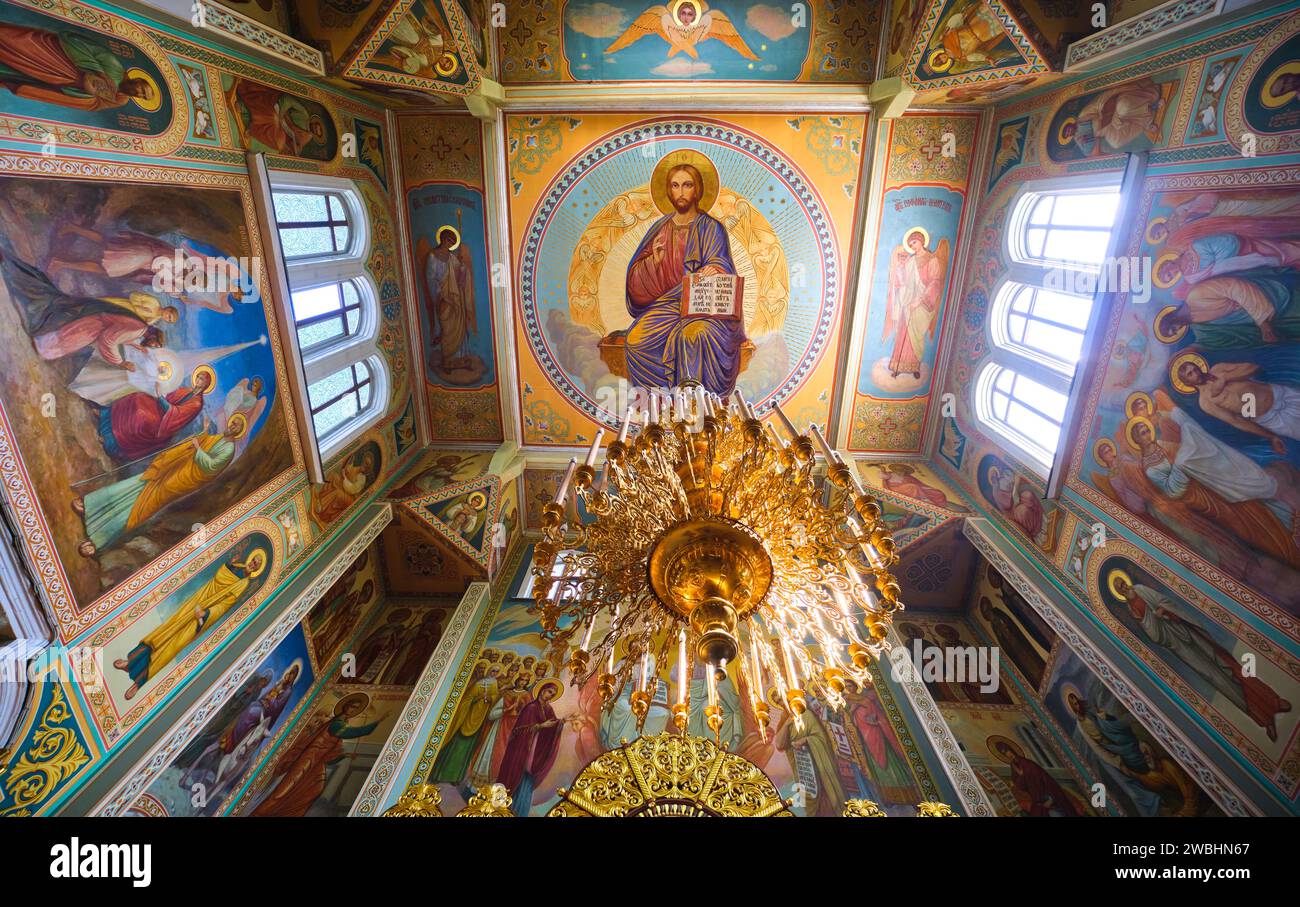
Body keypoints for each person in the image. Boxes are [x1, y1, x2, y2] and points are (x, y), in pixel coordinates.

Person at [1109, 571, 1291, 741]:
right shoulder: (1133, 610)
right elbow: (1154, 635)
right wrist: (1153, 618)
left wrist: (1163, 611)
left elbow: (1164, 601)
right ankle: (1264, 720)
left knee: (1226, 662)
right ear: (1119, 592)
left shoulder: (1141, 589)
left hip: (1185, 628)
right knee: (1217, 679)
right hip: (1178, 645)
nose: (1123, 587)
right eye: (1119, 588)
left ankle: (1273, 701)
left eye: (1122, 583)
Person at [620, 154, 742, 396]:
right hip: (669, 305)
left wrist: (713, 270)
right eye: (675, 185)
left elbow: (723, 266)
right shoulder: (660, 229)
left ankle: (694, 402)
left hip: (703, 308)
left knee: (691, 336)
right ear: (668, 191)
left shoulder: (711, 228)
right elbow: (636, 283)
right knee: (634, 341)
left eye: (687, 185)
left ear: (697, 190)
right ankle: (660, 405)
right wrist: (653, 263)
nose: (681, 192)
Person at [77, 413, 249, 557]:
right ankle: (91, 505)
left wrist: (197, 449)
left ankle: (99, 538)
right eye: (233, 422)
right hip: (174, 468)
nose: (232, 426)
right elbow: (202, 442)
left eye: (236, 426)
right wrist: (203, 431)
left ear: (238, 432)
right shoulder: (218, 438)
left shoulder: (228, 450)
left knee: (143, 508)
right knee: (137, 484)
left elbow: (210, 467)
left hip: (181, 480)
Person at [113, 547, 266, 699]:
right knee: (165, 630)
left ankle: (139, 682)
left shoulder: (243, 584)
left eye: (257, 565)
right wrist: (229, 564)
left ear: (256, 569)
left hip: (202, 615)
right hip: (196, 601)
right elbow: (218, 578)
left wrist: (205, 614)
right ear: (250, 559)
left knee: (173, 646)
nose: (253, 564)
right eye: (254, 560)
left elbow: (224, 606)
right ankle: (130, 662)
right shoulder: (234, 565)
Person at [249, 692, 379, 817]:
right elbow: (346, 732)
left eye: (356, 708)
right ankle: (259, 813)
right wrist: (373, 725)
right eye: (351, 706)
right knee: (286, 788)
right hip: (310, 757)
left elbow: (330, 753)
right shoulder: (337, 723)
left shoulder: (342, 723)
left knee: (315, 788)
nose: (352, 709)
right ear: (346, 706)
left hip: (318, 760)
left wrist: (344, 755)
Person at [0, 23, 158, 112]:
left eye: (143, 96)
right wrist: (95, 71)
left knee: (12, 73)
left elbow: (94, 104)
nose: (139, 94)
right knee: (11, 41)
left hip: (61, 83)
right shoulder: (114, 65)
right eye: (143, 90)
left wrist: (91, 91)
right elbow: (76, 41)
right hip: (55, 59)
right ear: (137, 79)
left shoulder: (120, 100)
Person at [97, 367, 215, 462]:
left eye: (202, 379)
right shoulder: (187, 390)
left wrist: (159, 397)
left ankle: (110, 439)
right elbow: (169, 397)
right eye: (198, 377)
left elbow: (175, 414)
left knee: (142, 415)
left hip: (164, 424)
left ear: (206, 384)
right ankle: (106, 418)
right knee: (138, 397)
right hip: (161, 410)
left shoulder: (197, 403)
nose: (198, 380)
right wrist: (160, 386)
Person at [884, 230, 947, 379]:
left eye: (915, 242)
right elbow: (905, 280)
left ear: (922, 241)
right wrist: (899, 270)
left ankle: (914, 366)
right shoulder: (911, 261)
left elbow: (935, 283)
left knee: (916, 335)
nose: (912, 246)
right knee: (903, 333)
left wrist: (920, 300)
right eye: (910, 243)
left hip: (922, 304)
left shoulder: (932, 260)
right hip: (908, 301)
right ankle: (898, 366)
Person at [497, 679, 564, 816]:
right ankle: (505, 809)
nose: (550, 695)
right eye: (549, 692)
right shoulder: (531, 708)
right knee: (515, 776)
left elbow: (552, 725)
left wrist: (561, 722)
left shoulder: (548, 709)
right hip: (522, 750)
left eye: (553, 694)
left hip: (535, 753)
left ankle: (519, 811)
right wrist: (540, 726)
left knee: (526, 781)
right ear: (542, 690)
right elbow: (519, 730)